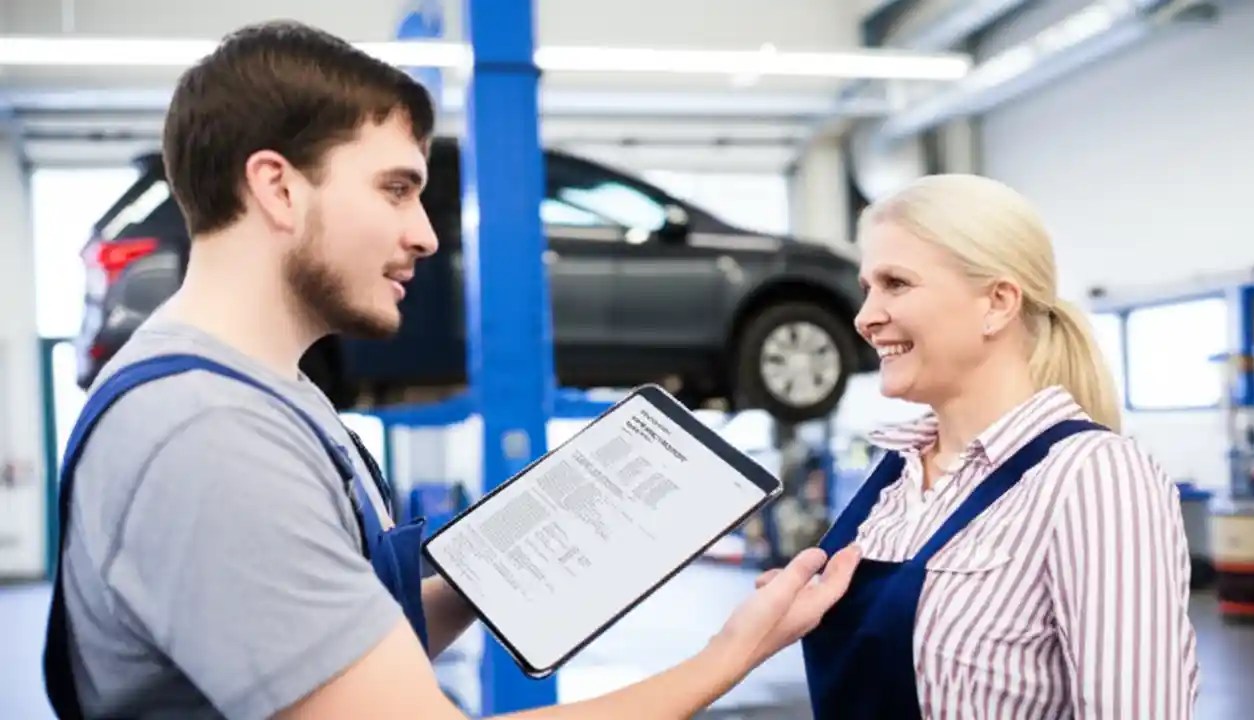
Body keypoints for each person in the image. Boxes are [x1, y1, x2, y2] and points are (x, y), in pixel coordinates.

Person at [41, 20, 862, 720]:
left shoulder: (271, 394)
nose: (427, 235)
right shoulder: (210, 438)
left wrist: (497, 575)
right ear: (278, 189)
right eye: (396, 190)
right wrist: (730, 655)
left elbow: (333, 647)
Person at [790, 174, 1201, 719]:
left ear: (998, 303)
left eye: (896, 284)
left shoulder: (1093, 476)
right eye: (868, 288)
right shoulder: (893, 477)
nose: (865, 317)